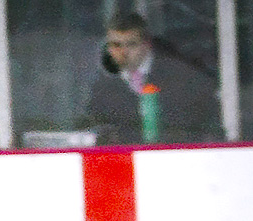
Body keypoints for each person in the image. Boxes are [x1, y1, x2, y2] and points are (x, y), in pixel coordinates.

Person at [79, 12, 223, 145]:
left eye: (131, 44)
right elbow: (94, 126)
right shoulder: (103, 86)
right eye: (116, 45)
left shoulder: (181, 76)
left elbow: (207, 122)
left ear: (146, 44)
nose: (123, 52)